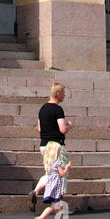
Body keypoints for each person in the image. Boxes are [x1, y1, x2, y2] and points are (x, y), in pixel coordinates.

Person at [29, 82, 72, 212]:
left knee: (50, 172)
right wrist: (69, 124)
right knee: (61, 173)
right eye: (63, 93)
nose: (64, 96)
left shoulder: (42, 109)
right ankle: (58, 204)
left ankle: (35, 192)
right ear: (58, 94)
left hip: (44, 145)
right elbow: (63, 129)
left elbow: (39, 128)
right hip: (56, 146)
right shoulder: (57, 109)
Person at [35, 142, 72, 219]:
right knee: (54, 205)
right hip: (56, 186)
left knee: (59, 204)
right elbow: (62, 173)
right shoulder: (57, 162)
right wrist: (67, 167)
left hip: (52, 185)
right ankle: (40, 218)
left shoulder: (50, 162)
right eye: (59, 151)